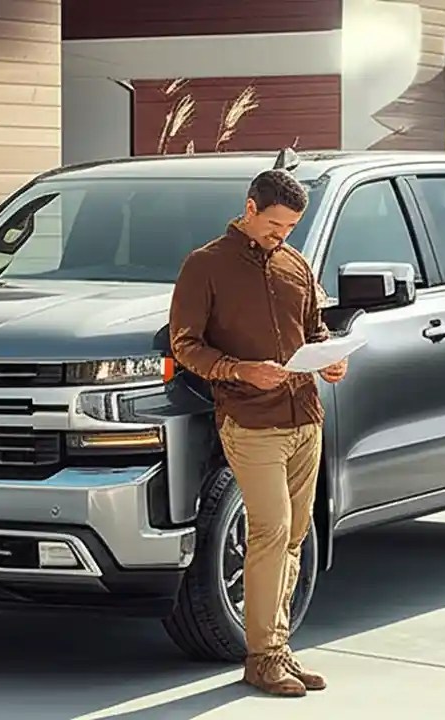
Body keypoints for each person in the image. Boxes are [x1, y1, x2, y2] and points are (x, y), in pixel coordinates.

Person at [168, 169, 348, 697]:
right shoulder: (205, 266)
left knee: (293, 536)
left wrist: (331, 359)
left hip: (305, 417)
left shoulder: (296, 264)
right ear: (250, 208)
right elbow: (185, 345)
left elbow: (315, 331)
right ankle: (262, 657)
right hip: (250, 421)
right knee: (269, 532)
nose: (282, 235)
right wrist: (241, 370)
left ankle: (279, 648)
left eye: (291, 226)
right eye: (274, 225)